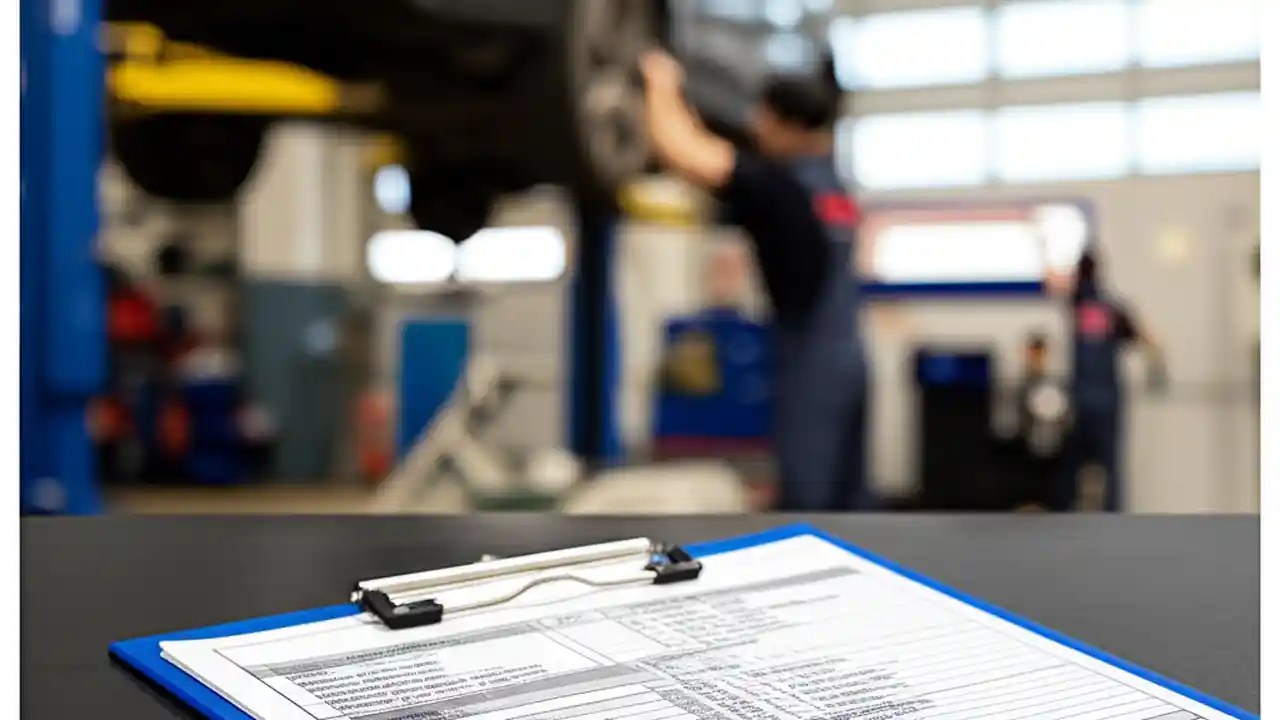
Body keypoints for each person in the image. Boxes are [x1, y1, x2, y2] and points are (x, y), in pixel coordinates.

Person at [639, 50, 870, 511]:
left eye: (764, 117)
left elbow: (684, 152)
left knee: (808, 502)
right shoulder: (831, 185)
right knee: (846, 503)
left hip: (811, 366)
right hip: (851, 361)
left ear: (790, 126)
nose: (755, 126)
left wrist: (658, 81)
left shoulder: (779, 186)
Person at [1051, 251, 1162, 512]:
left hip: (1082, 399)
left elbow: (1052, 280)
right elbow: (1149, 340)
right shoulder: (1112, 310)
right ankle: (1113, 515)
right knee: (1110, 464)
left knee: (1073, 464)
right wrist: (1156, 372)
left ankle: (1068, 513)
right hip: (1106, 400)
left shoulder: (1077, 304)